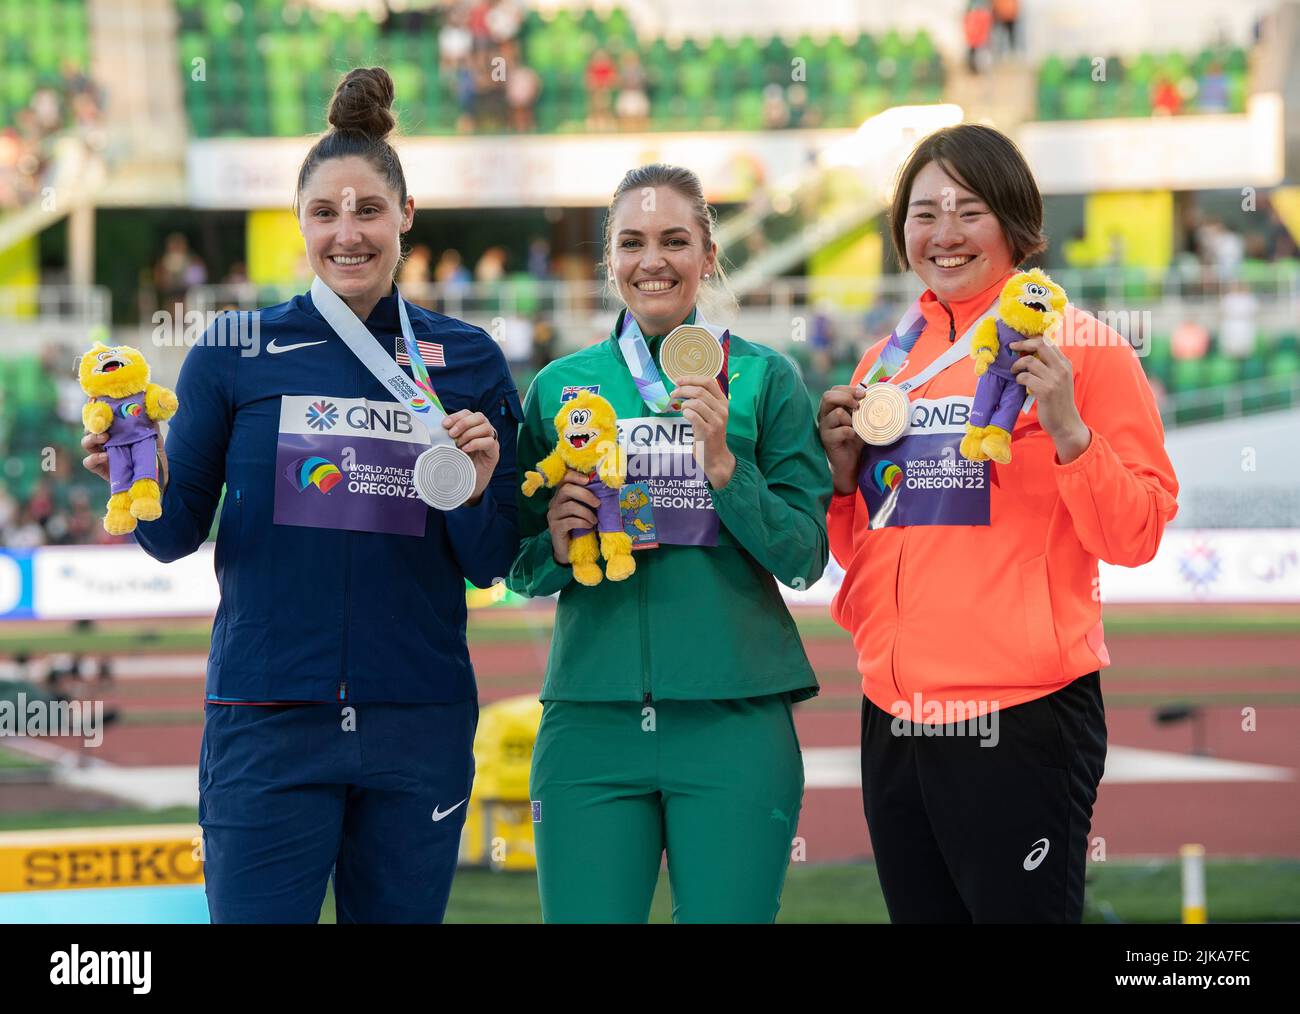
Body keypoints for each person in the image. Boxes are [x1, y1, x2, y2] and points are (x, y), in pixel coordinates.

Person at [80, 67, 521, 923]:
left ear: (406, 217)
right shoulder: (235, 349)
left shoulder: (467, 359)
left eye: (367, 211)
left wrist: (472, 487)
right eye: (325, 214)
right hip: (267, 719)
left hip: (415, 722)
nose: (347, 234)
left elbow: (493, 557)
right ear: (301, 226)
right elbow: (173, 535)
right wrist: (133, 473)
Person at [816, 124, 1178, 923]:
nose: (943, 234)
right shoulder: (884, 362)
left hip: (1019, 718)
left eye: (967, 209)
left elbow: (1139, 532)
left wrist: (1070, 431)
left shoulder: (1082, 348)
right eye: (923, 212)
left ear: (1015, 221)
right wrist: (842, 486)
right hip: (895, 715)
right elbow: (870, 551)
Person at [508, 163, 831, 923]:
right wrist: (553, 546)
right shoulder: (559, 386)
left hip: (735, 720)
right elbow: (516, 562)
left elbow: (806, 555)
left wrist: (726, 469)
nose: (652, 259)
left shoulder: (764, 379)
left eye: (675, 240)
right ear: (610, 260)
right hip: (590, 723)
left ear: (709, 257)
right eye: (632, 242)